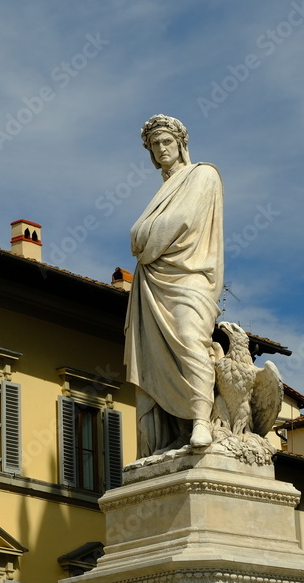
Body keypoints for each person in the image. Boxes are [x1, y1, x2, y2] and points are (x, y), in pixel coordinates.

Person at [124, 114, 224, 457]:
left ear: (181, 143)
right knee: (153, 358)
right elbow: (144, 233)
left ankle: (200, 420)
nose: (161, 149)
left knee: (189, 338)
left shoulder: (203, 175)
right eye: (154, 145)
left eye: (166, 141)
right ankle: (165, 438)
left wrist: (143, 237)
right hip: (153, 284)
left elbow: (178, 222)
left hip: (189, 276)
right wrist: (143, 236)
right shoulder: (163, 190)